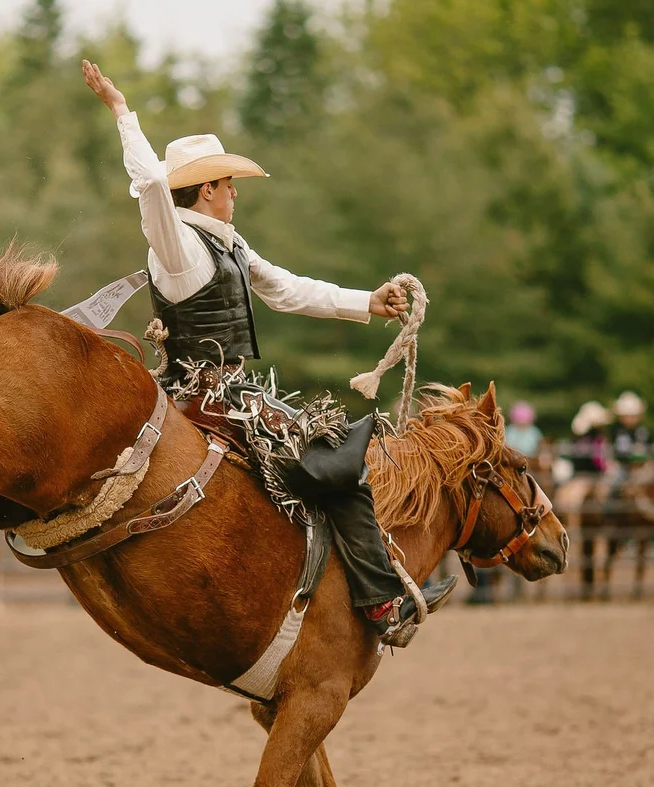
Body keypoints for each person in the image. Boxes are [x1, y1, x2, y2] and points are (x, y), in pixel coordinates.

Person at [83, 59, 454, 646]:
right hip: (208, 396)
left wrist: (367, 302)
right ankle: (382, 600)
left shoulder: (227, 244)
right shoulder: (178, 245)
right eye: (228, 183)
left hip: (226, 393)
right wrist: (122, 112)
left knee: (329, 462)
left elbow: (286, 289)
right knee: (337, 465)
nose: (235, 192)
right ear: (207, 190)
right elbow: (153, 186)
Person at [609, 391, 651, 464]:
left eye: (632, 416)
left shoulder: (642, 431)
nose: (629, 419)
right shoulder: (616, 430)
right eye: (626, 416)